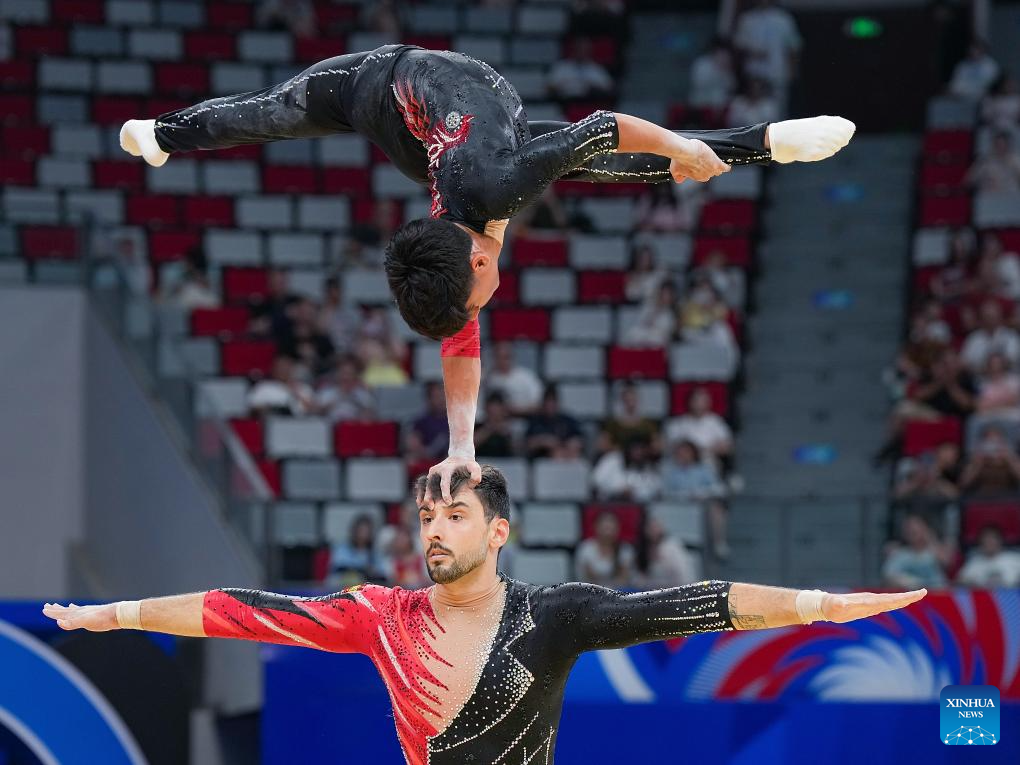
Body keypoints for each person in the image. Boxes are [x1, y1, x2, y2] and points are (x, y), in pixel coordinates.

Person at [118, 44, 855, 502]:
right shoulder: (455, 245)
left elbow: (603, 124)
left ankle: (758, 142)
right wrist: (461, 445)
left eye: (472, 303)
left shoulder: (496, 191)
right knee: (597, 169)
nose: (478, 314)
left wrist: (683, 147)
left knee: (274, 113)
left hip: (390, 78)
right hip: (420, 134)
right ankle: (161, 137)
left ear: (475, 258)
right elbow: (459, 339)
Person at [44, 467, 926, 765]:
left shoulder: (559, 615)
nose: (433, 527)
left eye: (454, 514)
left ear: (498, 531)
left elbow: (702, 604)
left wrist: (819, 606)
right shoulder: (380, 614)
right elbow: (238, 610)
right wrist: (115, 613)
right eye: (426, 513)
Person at [882, 514, 951, 589]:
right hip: (911, 596)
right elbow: (888, 576)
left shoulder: (934, 550)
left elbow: (947, 561)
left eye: (916, 528)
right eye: (909, 528)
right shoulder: (899, 553)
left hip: (937, 595)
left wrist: (930, 538)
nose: (912, 530)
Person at [574, 509, 635, 587]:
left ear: (618, 528)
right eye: (605, 527)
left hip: (619, 593)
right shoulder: (586, 548)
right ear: (595, 526)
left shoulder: (625, 549)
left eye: (611, 527)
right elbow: (588, 577)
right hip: (590, 592)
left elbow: (625, 578)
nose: (608, 531)